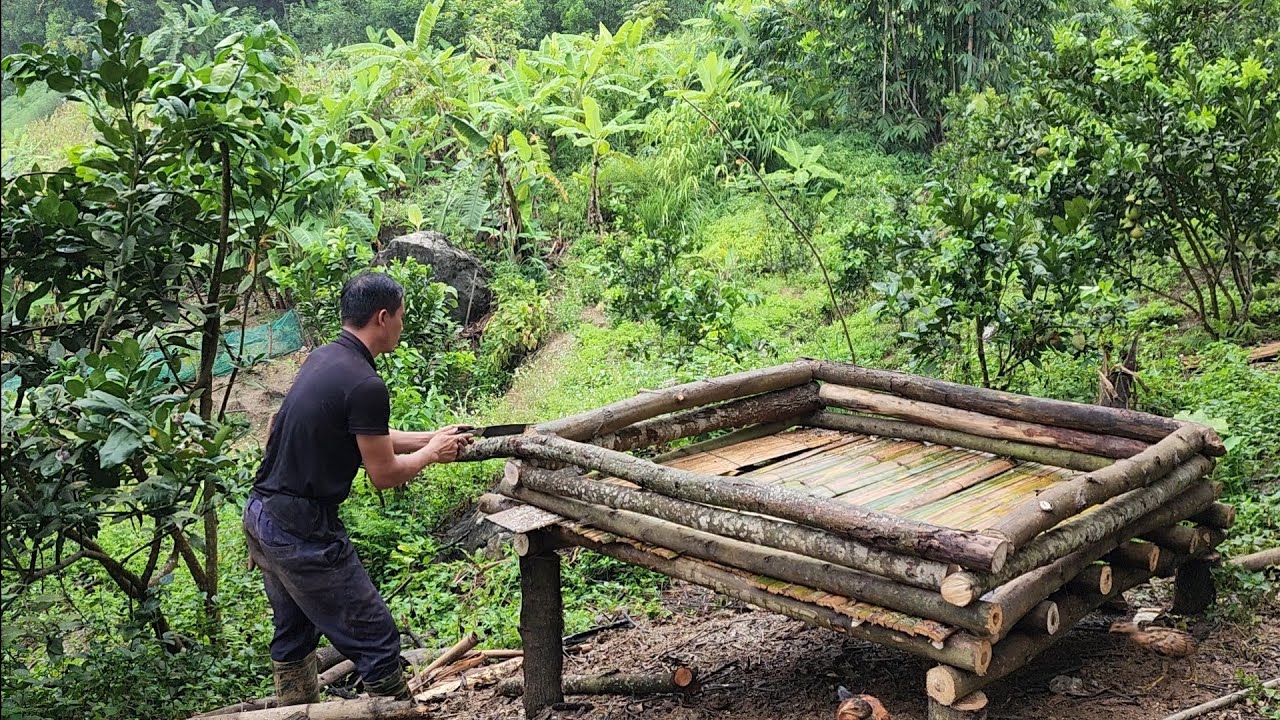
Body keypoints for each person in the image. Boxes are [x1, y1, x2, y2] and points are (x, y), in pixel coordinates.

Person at [243, 272, 472, 705]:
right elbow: (383, 472)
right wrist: (432, 456)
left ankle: (298, 712)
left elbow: (368, 435)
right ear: (382, 318)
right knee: (377, 638)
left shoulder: (325, 358)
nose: (402, 326)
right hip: (301, 529)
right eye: (401, 318)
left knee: (294, 634)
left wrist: (430, 437)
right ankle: (395, 712)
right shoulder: (367, 384)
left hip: (262, 514)